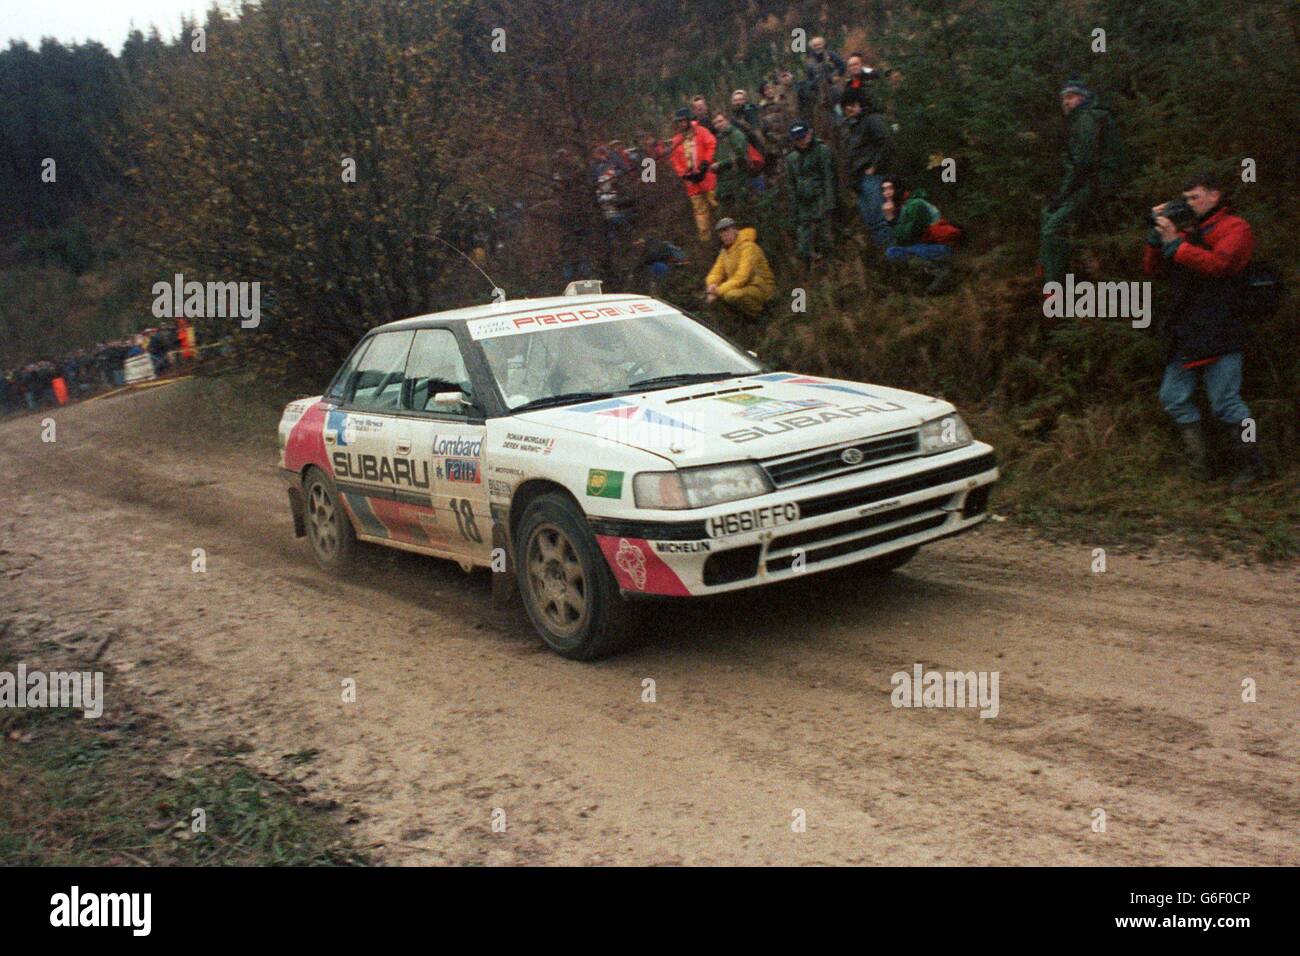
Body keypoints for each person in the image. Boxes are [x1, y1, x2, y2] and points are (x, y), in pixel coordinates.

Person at [1144, 171, 1266, 486]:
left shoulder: (1235, 228)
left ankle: (1253, 464)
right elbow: (1153, 270)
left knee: (1226, 402)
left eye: (1194, 197)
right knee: (1172, 396)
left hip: (1223, 329)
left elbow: (1222, 265)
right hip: (1189, 330)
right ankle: (1201, 467)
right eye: (1185, 198)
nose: (1188, 204)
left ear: (1215, 195)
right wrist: (1156, 240)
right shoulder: (1190, 231)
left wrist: (1177, 247)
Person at [1040, 79, 1119, 285]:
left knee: (1052, 228)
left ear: (1083, 98)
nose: (1066, 102)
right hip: (1090, 181)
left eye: (1071, 97)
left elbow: (1083, 164)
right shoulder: (1085, 118)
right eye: (1063, 98)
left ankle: (1055, 287)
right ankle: (1046, 266)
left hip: (1098, 182)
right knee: (1047, 213)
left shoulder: (1086, 119)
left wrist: (1064, 195)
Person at [881, 176, 963, 294]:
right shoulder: (903, 206)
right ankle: (930, 278)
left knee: (894, 252)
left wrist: (891, 219)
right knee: (895, 252)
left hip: (941, 247)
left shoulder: (915, 204)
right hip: (929, 246)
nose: (887, 193)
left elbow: (908, 236)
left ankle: (940, 271)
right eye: (884, 190)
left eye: (890, 188)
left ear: (898, 188)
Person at [837, 89, 894, 245]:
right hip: (859, 180)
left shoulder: (871, 119)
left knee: (880, 218)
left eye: (853, 105)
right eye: (846, 107)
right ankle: (885, 258)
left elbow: (887, 143)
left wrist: (874, 167)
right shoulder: (851, 128)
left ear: (860, 104)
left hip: (872, 177)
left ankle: (893, 255)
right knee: (871, 222)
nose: (849, 109)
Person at [784, 122, 836, 266]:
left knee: (824, 233)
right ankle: (807, 268)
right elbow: (791, 184)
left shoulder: (822, 150)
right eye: (797, 139)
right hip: (802, 200)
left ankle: (830, 265)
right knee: (803, 238)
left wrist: (830, 201)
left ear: (809, 134)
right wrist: (793, 208)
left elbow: (828, 177)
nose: (801, 141)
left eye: (803, 137)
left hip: (820, 196)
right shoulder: (791, 158)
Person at [705, 218, 777, 319]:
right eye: (721, 233)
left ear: (735, 230)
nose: (725, 236)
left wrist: (718, 291)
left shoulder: (748, 247)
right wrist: (711, 285)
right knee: (725, 296)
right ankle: (744, 319)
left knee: (731, 295)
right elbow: (716, 272)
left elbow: (743, 276)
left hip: (761, 286)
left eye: (727, 231)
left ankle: (761, 315)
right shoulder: (725, 251)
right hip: (743, 287)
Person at [668, 106, 719, 243]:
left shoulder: (701, 131)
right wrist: (684, 175)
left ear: (689, 120)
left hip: (707, 177)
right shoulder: (676, 140)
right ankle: (706, 241)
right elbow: (675, 161)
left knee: (717, 204)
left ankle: (726, 232)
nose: (681, 124)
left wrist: (705, 164)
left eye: (683, 121)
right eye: (678, 122)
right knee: (700, 212)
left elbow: (711, 145)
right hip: (691, 183)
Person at [710, 112, 754, 218]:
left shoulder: (736, 135)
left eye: (720, 121)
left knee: (742, 216)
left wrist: (721, 164)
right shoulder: (719, 138)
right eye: (715, 123)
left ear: (727, 120)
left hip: (738, 182)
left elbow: (741, 157)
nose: (718, 125)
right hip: (724, 185)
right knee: (725, 219)